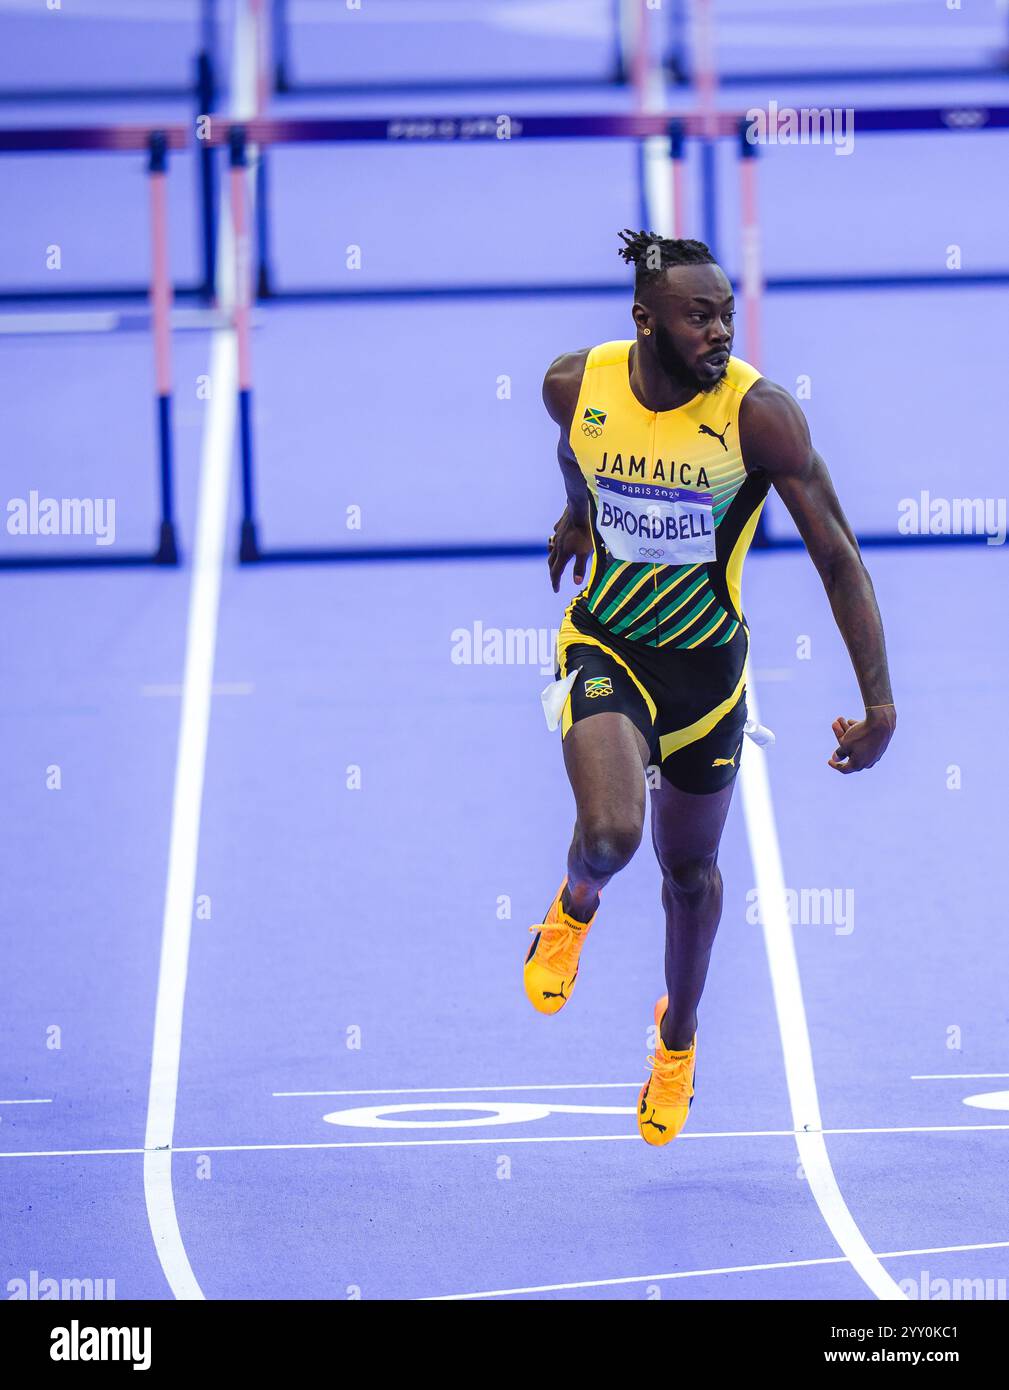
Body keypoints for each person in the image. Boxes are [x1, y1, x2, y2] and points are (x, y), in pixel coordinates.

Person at [524, 230, 896, 1147]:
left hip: (708, 677)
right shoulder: (576, 384)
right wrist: (578, 513)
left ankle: (675, 1043)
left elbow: (837, 555)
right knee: (611, 836)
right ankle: (573, 907)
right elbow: (575, 451)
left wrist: (880, 703)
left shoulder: (757, 416)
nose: (720, 331)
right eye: (699, 316)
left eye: (726, 313)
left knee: (688, 876)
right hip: (604, 644)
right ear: (645, 319)